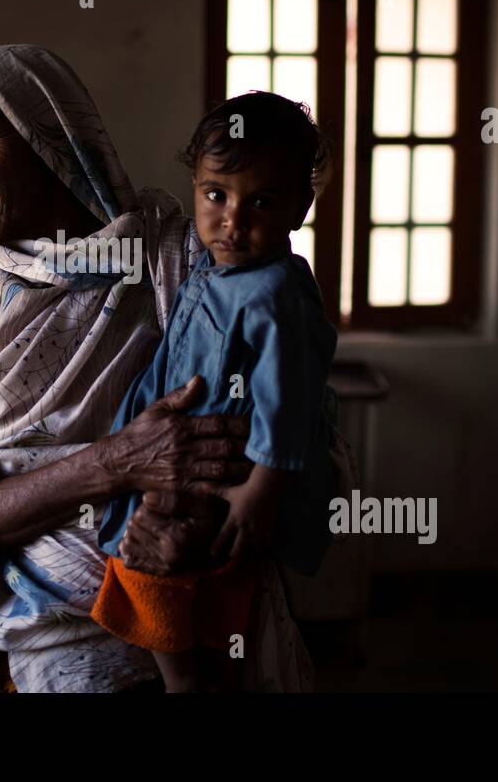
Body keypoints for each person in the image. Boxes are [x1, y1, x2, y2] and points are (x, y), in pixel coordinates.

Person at [0, 45, 327, 692]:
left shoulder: (185, 261)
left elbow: (292, 420)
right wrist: (117, 462)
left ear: (46, 137)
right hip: (33, 657)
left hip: (205, 625)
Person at [92, 92, 338, 691]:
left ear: (300, 207)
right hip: (180, 459)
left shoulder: (276, 293)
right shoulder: (208, 266)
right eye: (215, 195)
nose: (232, 219)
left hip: (230, 474)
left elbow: (292, 401)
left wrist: (262, 489)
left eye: (260, 201)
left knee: (156, 564)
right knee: (169, 574)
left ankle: (184, 686)